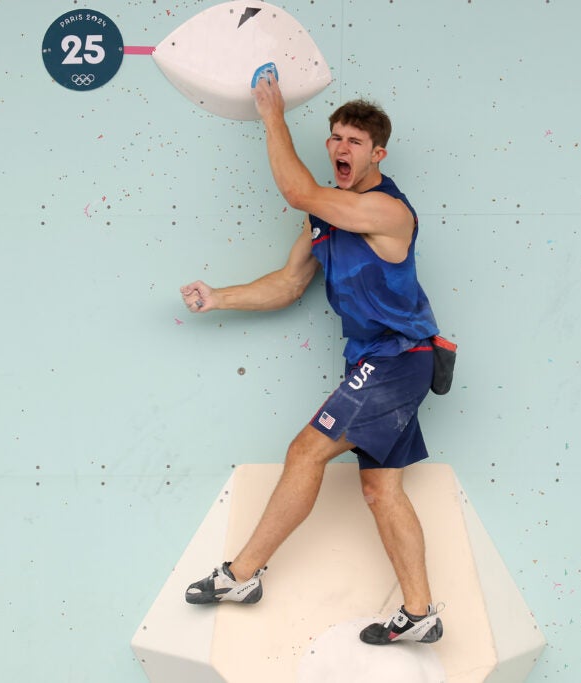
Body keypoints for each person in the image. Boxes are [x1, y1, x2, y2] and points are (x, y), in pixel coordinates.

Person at [179, 73, 444, 646]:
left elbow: (299, 192)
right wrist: (219, 297)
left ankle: (240, 576)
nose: (340, 149)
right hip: (377, 362)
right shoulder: (324, 218)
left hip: (399, 355)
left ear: (378, 154)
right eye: (334, 138)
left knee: (305, 452)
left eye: (353, 141)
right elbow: (288, 283)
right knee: (381, 490)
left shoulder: (387, 210)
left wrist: (272, 117)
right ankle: (421, 613)